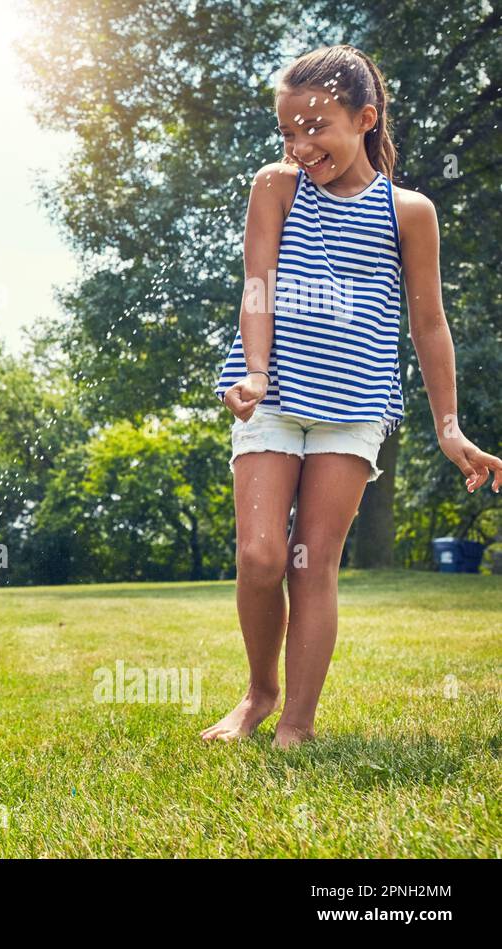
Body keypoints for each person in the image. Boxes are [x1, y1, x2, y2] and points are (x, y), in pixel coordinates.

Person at [207, 46, 502, 748]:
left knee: (313, 560)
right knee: (261, 556)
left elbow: (429, 323)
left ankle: (298, 724)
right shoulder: (275, 187)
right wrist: (251, 368)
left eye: (318, 129)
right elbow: (258, 283)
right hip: (271, 392)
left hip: (355, 406)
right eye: (289, 133)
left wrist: (449, 427)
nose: (302, 146)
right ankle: (259, 692)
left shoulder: (410, 212)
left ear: (365, 119)